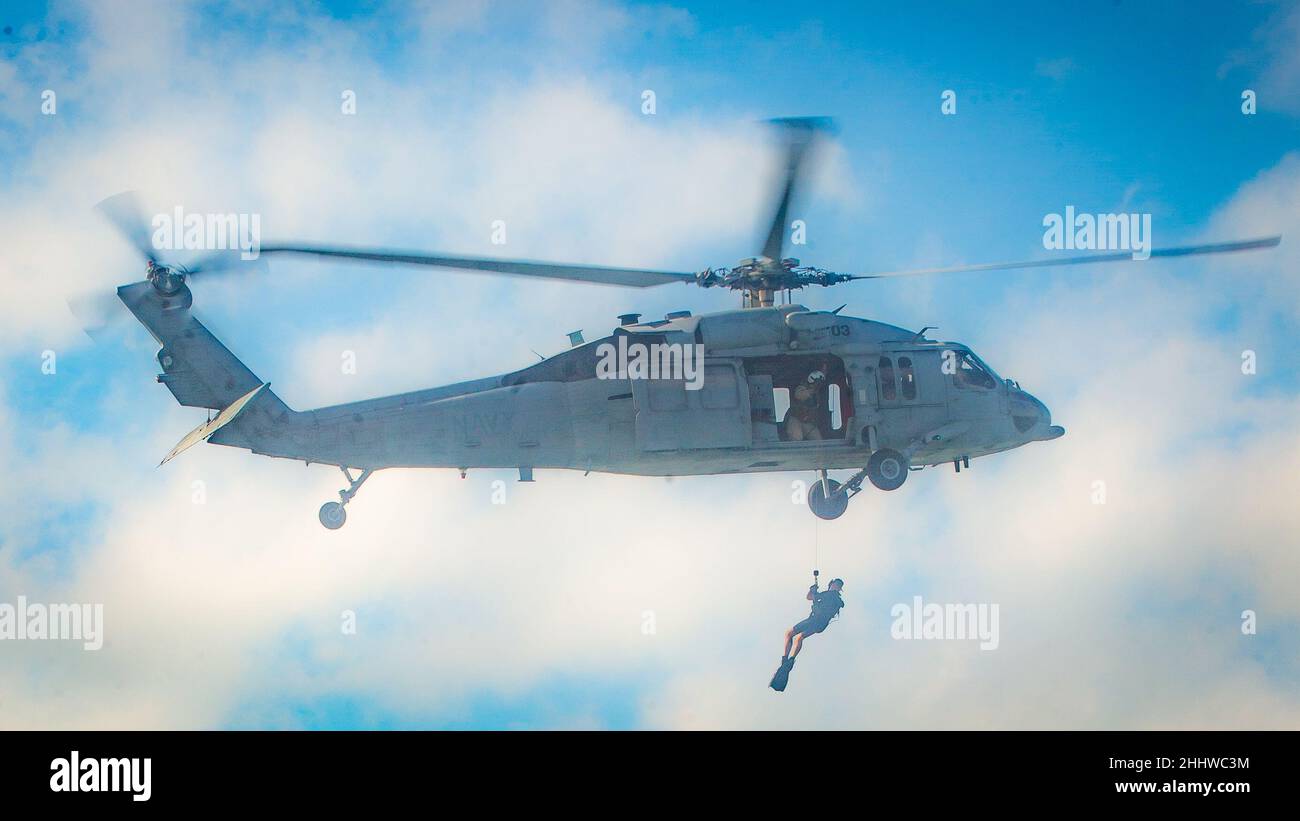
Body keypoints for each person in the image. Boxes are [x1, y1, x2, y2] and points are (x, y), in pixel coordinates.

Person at [770, 577, 844, 691]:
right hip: (820, 625)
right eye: (836, 584)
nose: (836, 587)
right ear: (832, 584)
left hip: (815, 620)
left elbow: (810, 597)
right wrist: (813, 591)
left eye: (838, 586)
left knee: (789, 633)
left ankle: (785, 660)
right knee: (800, 637)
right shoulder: (832, 598)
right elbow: (811, 597)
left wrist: (813, 590)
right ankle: (791, 660)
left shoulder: (829, 595)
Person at [784, 369, 826, 441]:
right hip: (795, 419)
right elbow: (799, 395)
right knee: (796, 438)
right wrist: (812, 390)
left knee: (818, 441)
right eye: (816, 383)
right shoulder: (801, 389)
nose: (818, 385)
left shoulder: (817, 394)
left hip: (808, 422)